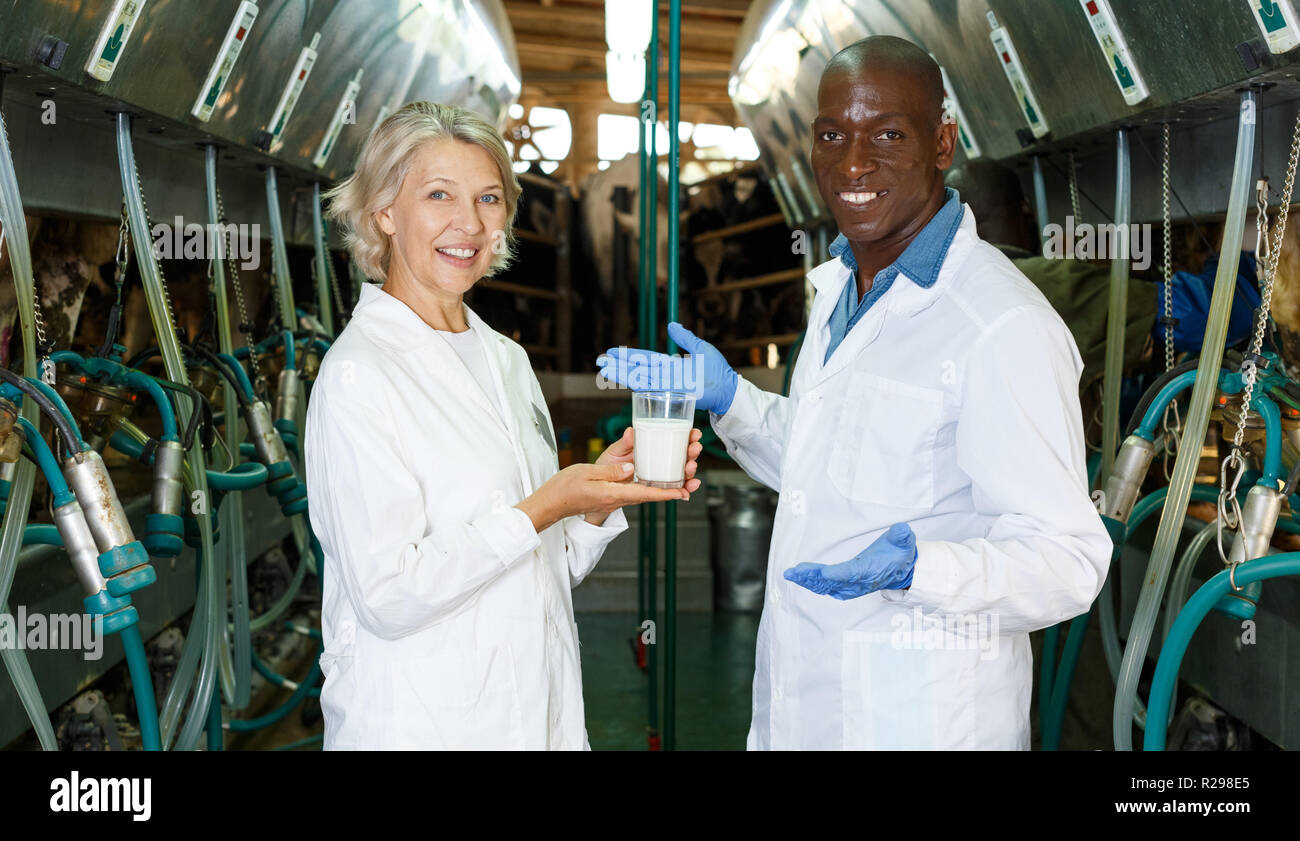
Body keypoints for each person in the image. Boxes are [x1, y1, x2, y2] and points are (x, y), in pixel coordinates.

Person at [600, 37, 1112, 749]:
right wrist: (732, 401)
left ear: (942, 143)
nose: (853, 164)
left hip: (921, 721)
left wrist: (922, 565)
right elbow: (829, 470)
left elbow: (1068, 562)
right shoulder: (843, 286)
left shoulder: (1001, 324)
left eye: (888, 134)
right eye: (832, 135)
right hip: (805, 710)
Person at [307, 102, 701, 749]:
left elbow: (545, 562)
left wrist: (599, 496)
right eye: (439, 195)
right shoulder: (360, 374)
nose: (469, 223)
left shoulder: (506, 360)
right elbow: (388, 592)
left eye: (489, 198)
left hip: (534, 715)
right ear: (384, 211)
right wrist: (545, 506)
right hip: (421, 724)